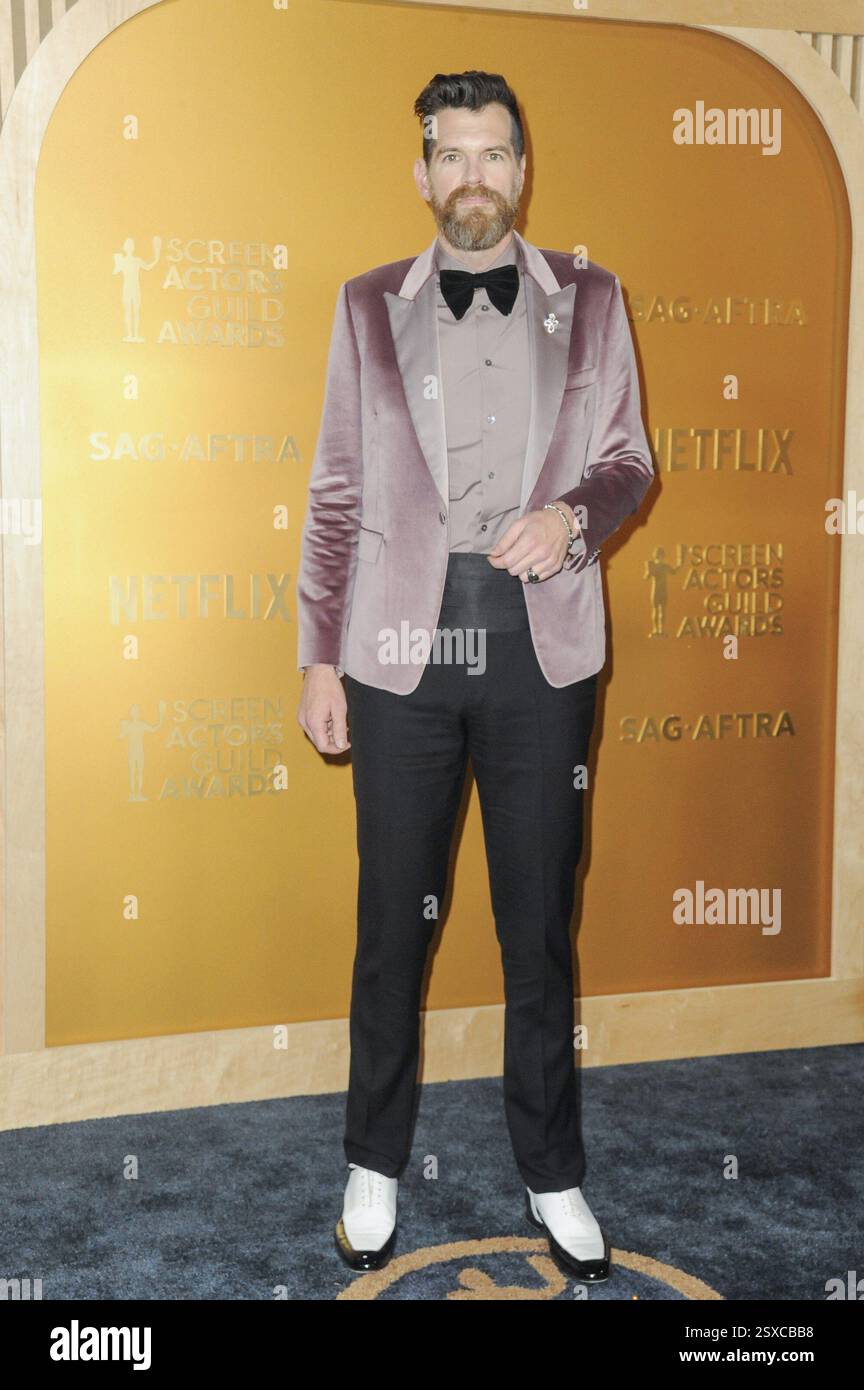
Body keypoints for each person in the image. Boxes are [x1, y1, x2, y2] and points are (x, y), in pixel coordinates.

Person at [296, 70, 654, 1282]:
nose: (473, 177)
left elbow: (630, 463)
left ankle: (553, 1172)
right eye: (451, 156)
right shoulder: (362, 309)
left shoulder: (594, 301)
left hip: (540, 643)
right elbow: (336, 496)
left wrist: (572, 518)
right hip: (399, 648)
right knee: (393, 920)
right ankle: (374, 1161)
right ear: (423, 172)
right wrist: (316, 656)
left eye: (494, 155)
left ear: (523, 166)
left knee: (538, 922)